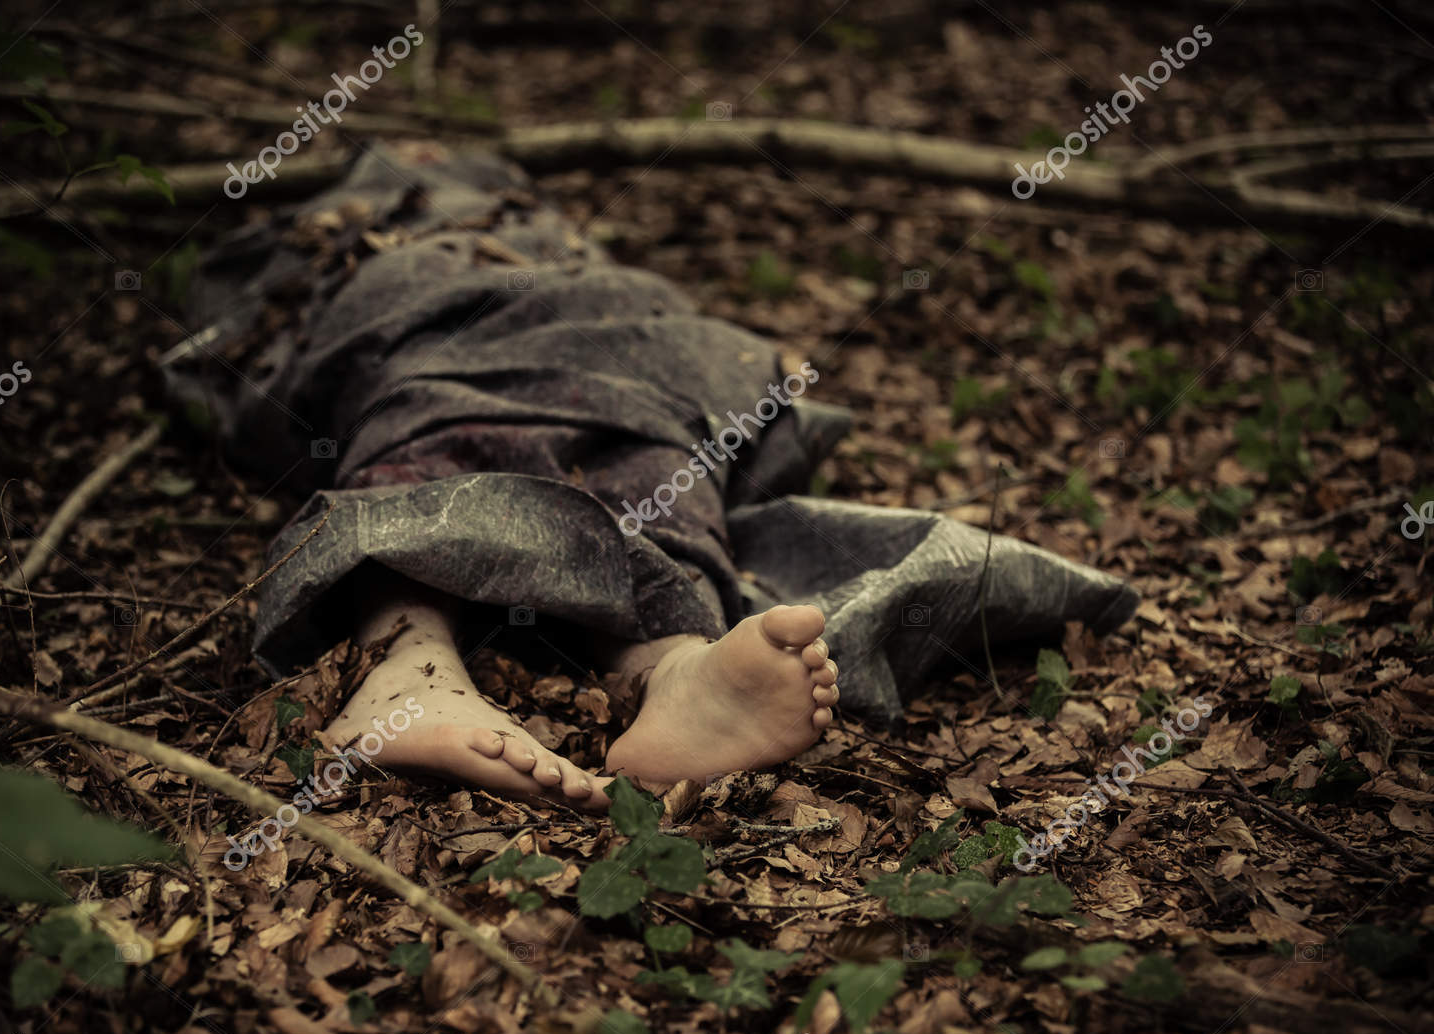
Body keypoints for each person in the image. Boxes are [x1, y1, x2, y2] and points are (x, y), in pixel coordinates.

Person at [161, 141, 1138, 812]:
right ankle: (405, 671)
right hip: (413, 307)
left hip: (600, 315)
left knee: (647, 428)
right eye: (406, 153)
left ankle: (670, 671)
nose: (422, 157)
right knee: (439, 410)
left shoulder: (532, 217)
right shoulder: (316, 225)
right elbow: (234, 329)